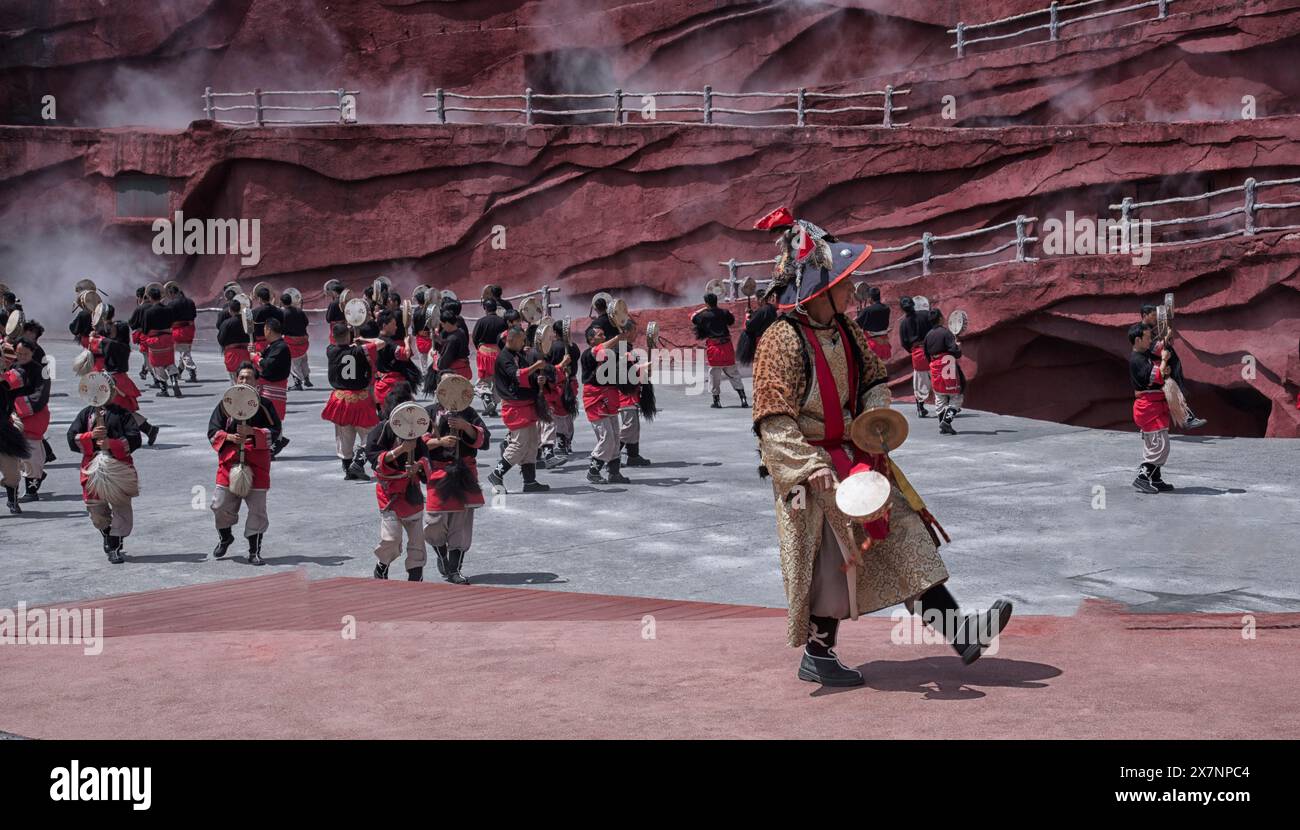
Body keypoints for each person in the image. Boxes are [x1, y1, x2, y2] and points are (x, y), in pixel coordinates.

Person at [750, 205, 1012, 687]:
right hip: (813, 470)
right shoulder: (780, 340)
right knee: (830, 565)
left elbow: (872, 380)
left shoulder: (848, 331)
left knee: (907, 536)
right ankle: (819, 654)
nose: (853, 290)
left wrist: (874, 421)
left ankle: (962, 634)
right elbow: (772, 419)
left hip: (859, 460)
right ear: (820, 289)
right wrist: (808, 467)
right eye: (844, 282)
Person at [208, 362, 282, 565]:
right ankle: (225, 536)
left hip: (257, 464)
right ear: (236, 379)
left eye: (249, 377)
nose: (244, 381)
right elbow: (212, 431)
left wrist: (253, 433)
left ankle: (254, 550)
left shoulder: (265, 405)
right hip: (229, 463)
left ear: (257, 382)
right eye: (241, 377)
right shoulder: (226, 403)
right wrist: (229, 437)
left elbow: (276, 432)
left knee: (257, 510)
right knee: (219, 505)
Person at [66, 378, 141, 563]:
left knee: (122, 509)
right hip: (93, 467)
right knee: (96, 510)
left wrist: (111, 444)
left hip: (118, 466)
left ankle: (115, 543)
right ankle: (108, 533)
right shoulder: (85, 414)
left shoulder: (123, 414)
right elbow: (71, 438)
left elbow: (135, 438)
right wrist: (90, 437)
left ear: (113, 392)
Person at [422, 382, 491, 584]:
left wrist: (466, 427)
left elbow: (483, 440)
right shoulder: (429, 412)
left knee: (460, 525)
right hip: (438, 471)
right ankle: (442, 555)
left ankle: (454, 569)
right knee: (433, 523)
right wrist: (439, 442)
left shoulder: (468, 412)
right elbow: (414, 441)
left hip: (464, 472)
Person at [364, 382, 429, 581]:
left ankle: (415, 577)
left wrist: (418, 466)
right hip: (389, 493)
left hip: (411, 491)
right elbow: (374, 458)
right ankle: (382, 565)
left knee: (417, 541)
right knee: (391, 539)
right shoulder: (381, 429)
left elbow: (426, 459)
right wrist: (400, 450)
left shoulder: (417, 432)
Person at [487, 326, 551, 492]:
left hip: (526, 403)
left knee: (532, 443)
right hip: (515, 406)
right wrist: (535, 367)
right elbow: (516, 374)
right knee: (519, 444)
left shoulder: (518, 354)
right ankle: (496, 474)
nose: (524, 343)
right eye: (522, 340)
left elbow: (528, 376)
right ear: (512, 340)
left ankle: (530, 482)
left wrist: (539, 379)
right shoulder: (503, 357)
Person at [87, 305, 160, 445]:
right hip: (111, 375)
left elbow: (106, 342)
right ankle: (148, 429)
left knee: (120, 410)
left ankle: (147, 429)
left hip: (116, 378)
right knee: (118, 410)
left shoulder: (118, 336)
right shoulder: (108, 336)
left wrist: (97, 339)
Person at [322, 322, 379, 480]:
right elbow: (380, 343)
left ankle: (348, 469)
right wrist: (362, 340)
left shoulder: (330, 350)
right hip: (360, 398)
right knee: (371, 433)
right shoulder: (360, 350)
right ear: (349, 336)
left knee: (343, 435)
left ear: (333, 337)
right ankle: (359, 462)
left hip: (340, 399)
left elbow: (339, 346)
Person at [1140, 303, 1207, 430]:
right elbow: (1154, 348)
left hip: (1160, 369)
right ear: (1145, 315)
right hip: (1154, 371)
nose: (1155, 319)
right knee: (1171, 391)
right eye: (1153, 316)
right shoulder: (1141, 331)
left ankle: (1147, 428)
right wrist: (1166, 337)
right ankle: (1187, 419)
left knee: (1163, 398)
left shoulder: (1149, 330)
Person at [580, 323, 630, 484]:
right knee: (607, 437)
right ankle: (593, 470)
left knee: (616, 437)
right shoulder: (588, 354)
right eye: (600, 335)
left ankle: (614, 473)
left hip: (610, 397)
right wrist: (618, 338)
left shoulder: (608, 354)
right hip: (595, 399)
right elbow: (598, 351)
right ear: (591, 339)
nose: (603, 337)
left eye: (603, 335)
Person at [1129, 323, 1175, 494]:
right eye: (1147, 338)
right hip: (1148, 408)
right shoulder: (1137, 360)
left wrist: (1167, 336)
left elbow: (1159, 347)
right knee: (1159, 446)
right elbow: (1157, 375)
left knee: (1157, 444)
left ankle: (1156, 478)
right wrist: (1163, 361)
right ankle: (1142, 478)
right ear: (1138, 340)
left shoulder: (1144, 353)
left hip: (1153, 407)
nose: (1150, 341)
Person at [9, 337, 51, 502]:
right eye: (18, 353)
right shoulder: (13, 367)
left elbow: (41, 396)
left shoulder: (41, 371)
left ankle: (32, 491)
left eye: (25, 353)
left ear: (32, 352)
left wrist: (18, 406)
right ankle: (37, 477)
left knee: (31, 453)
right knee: (16, 454)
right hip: (14, 414)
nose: (21, 356)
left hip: (33, 414)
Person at [691, 293, 748, 408]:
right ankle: (743, 399)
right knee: (733, 373)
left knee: (714, 375)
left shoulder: (704, 315)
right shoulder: (724, 312)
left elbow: (693, 317)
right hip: (727, 346)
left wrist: (704, 308)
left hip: (714, 348)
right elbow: (731, 321)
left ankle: (717, 401)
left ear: (707, 303)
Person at [541, 320, 580, 467]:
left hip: (558, 385)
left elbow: (548, 367)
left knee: (558, 415)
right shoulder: (573, 347)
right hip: (571, 383)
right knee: (568, 412)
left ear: (555, 333)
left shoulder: (552, 347)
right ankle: (567, 442)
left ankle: (561, 443)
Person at [616, 321, 654, 467]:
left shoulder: (625, 347)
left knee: (634, 426)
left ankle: (633, 455)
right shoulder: (620, 349)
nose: (636, 334)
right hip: (624, 394)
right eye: (634, 331)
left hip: (631, 392)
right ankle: (612, 454)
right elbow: (624, 372)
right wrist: (642, 369)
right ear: (626, 332)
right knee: (629, 426)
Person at [0, 341, 32, 514]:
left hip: (4, 429)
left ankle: (12, 499)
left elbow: (18, 380)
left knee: (12, 471)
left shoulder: (14, 374)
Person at [923, 308, 965, 435]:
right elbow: (955, 352)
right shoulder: (946, 333)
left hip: (934, 366)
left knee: (939, 396)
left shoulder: (928, 336)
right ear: (940, 318)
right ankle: (946, 421)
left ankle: (942, 424)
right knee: (956, 396)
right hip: (947, 366)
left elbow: (926, 354)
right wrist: (958, 347)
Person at [255, 317, 292, 456]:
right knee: (267, 416)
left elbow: (268, 365)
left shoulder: (281, 347)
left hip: (274, 387)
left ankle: (276, 441)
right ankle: (278, 440)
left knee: (272, 417)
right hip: (266, 386)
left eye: (265, 328)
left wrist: (256, 358)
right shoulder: (273, 345)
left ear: (269, 330)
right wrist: (257, 354)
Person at [373, 310, 420, 411]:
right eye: (393, 324)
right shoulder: (389, 343)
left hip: (381, 385)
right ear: (385, 325)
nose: (396, 327)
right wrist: (407, 343)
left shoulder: (377, 340)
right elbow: (405, 354)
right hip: (393, 386)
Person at [140, 284, 182, 396]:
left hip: (155, 341)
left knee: (157, 364)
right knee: (169, 362)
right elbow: (172, 323)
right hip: (167, 338)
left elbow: (144, 329)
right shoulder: (168, 309)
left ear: (150, 298)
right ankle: (174, 381)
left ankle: (164, 389)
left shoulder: (148, 312)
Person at [471, 298, 507, 415]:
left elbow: (475, 337)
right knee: (497, 381)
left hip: (484, 353)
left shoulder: (481, 321)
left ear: (485, 308)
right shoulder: (502, 322)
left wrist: (479, 346)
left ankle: (487, 398)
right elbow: (504, 339)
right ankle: (493, 405)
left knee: (484, 381)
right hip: (497, 353)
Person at [898, 296, 932, 418]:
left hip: (917, 354)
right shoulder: (925, 315)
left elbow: (904, 343)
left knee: (920, 381)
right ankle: (946, 406)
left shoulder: (903, 324)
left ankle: (920, 407)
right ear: (914, 304)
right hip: (932, 350)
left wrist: (912, 351)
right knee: (938, 377)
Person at [165, 283, 199, 382]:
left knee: (184, 352)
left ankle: (192, 370)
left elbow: (169, 318)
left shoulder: (172, 304)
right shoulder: (190, 301)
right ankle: (180, 370)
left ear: (172, 293)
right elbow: (194, 315)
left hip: (179, 330)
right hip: (190, 328)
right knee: (185, 350)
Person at [281, 292, 312, 390]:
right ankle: (307, 379)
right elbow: (306, 322)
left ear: (282, 302)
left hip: (292, 342)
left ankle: (298, 383)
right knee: (303, 360)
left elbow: (281, 328)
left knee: (293, 363)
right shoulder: (299, 311)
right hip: (303, 340)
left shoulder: (284, 314)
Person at [217, 299, 252, 382]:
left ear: (230, 310)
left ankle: (237, 394)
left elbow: (221, 340)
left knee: (235, 379)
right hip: (246, 352)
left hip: (232, 354)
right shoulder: (247, 322)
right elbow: (252, 336)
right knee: (246, 378)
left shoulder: (226, 323)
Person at [855, 286, 891, 361]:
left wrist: (860, 314)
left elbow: (857, 324)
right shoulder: (886, 308)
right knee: (882, 366)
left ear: (870, 298)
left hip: (872, 343)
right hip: (884, 341)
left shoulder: (867, 310)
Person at [250, 286, 283, 355]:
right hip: (276, 343)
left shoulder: (254, 312)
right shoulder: (279, 311)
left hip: (260, 345)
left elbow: (251, 329)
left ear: (259, 299)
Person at [324, 280, 346, 345]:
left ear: (334, 292)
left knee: (336, 343)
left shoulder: (333, 303)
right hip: (346, 326)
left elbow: (328, 319)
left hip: (336, 328)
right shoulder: (347, 300)